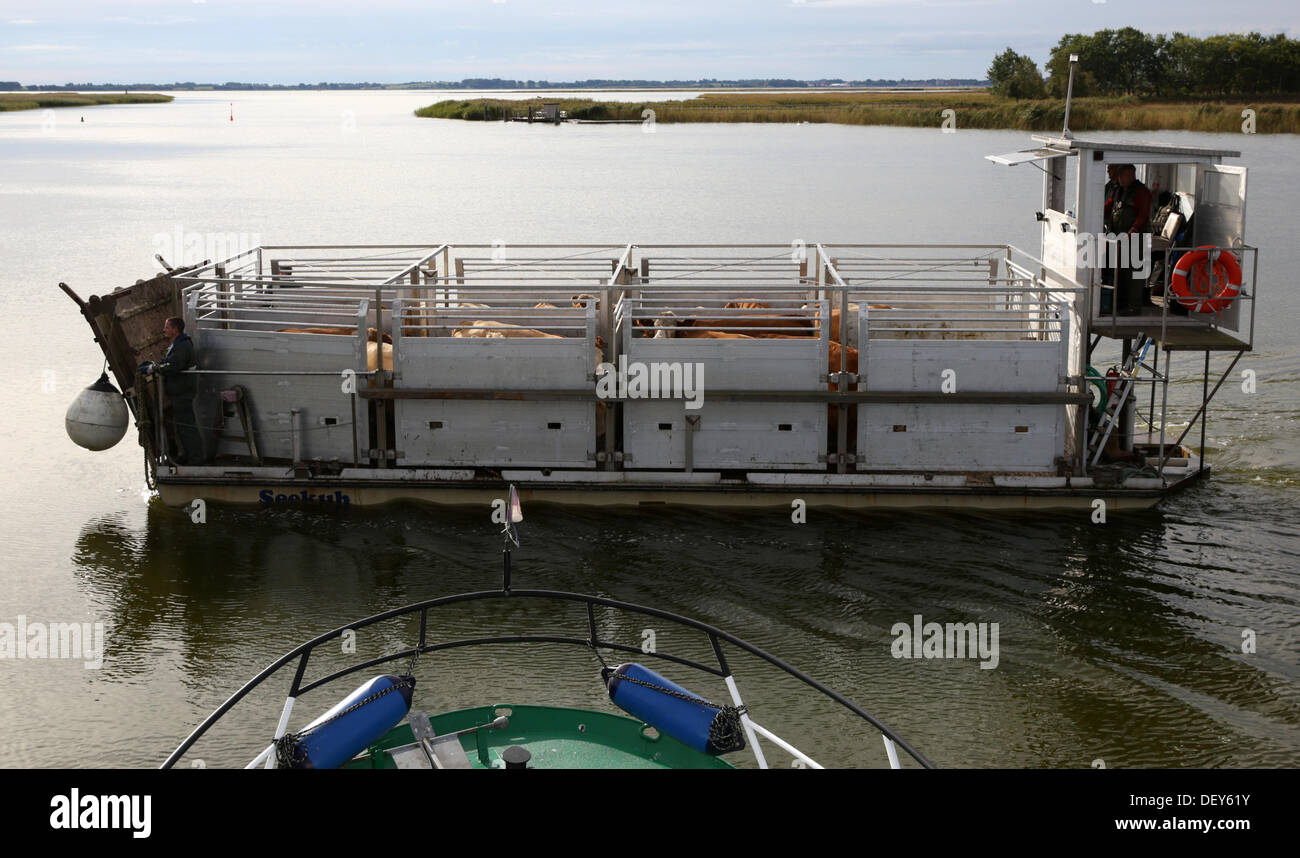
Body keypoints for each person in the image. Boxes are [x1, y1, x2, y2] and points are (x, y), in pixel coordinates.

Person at [141, 317, 203, 464]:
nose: (164, 330)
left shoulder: (182, 346)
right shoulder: (178, 344)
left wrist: (153, 368)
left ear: (175, 330)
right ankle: (188, 456)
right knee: (182, 426)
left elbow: (174, 366)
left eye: (167, 327)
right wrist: (156, 364)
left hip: (183, 393)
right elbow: (170, 362)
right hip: (179, 393)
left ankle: (196, 459)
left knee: (187, 427)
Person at [1108, 164, 1152, 315]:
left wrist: (1133, 230)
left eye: (1122, 175)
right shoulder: (1118, 191)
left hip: (1137, 239)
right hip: (1120, 239)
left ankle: (1134, 306)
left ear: (1131, 175)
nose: (1119, 178)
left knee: (1135, 273)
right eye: (1118, 175)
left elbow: (1143, 214)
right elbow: (1108, 207)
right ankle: (1121, 303)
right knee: (1120, 271)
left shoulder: (1141, 192)